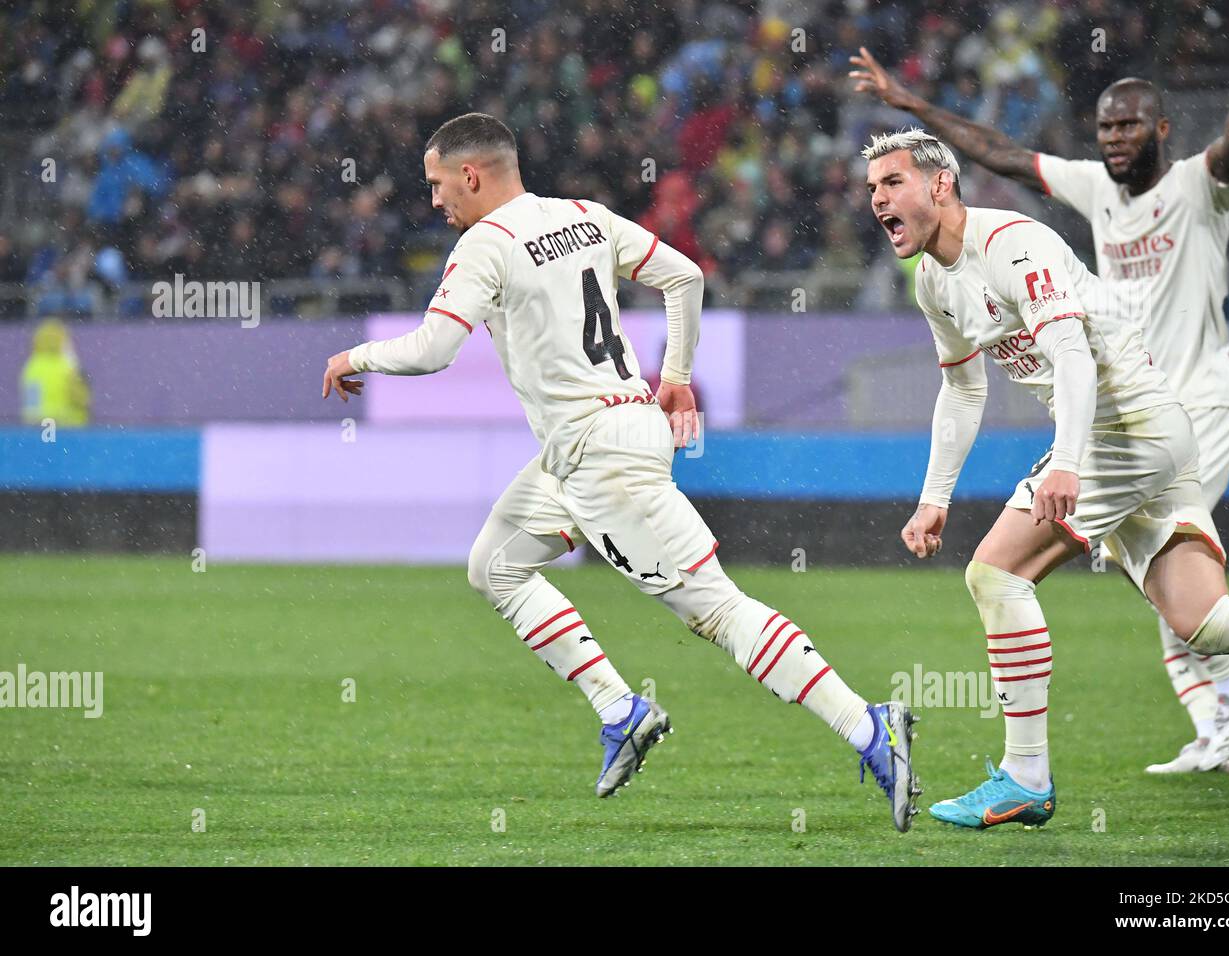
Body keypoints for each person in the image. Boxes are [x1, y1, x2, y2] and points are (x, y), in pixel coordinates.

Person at [321, 112, 921, 830]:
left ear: (471, 174)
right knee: (496, 565)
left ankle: (868, 726)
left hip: (601, 460)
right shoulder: (584, 215)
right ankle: (621, 708)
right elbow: (685, 276)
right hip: (601, 440)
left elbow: (433, 349)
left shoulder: (485, 244)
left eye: (437, 183)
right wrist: (676, 376)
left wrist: (352, 356)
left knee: (718, 611)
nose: (434, 201)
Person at [850, 21, 1229, 774]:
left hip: (1152, 414)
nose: (876, 200)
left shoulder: (1037, 237)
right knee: (1200, 619)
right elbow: (962, 385)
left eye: (892, 184)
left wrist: (1067, 463)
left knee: (996, 571)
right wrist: (935, 497)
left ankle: (1025, 777)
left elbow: (1071, 353)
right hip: (1142, 420)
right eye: (871, 189)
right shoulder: (941, 275)